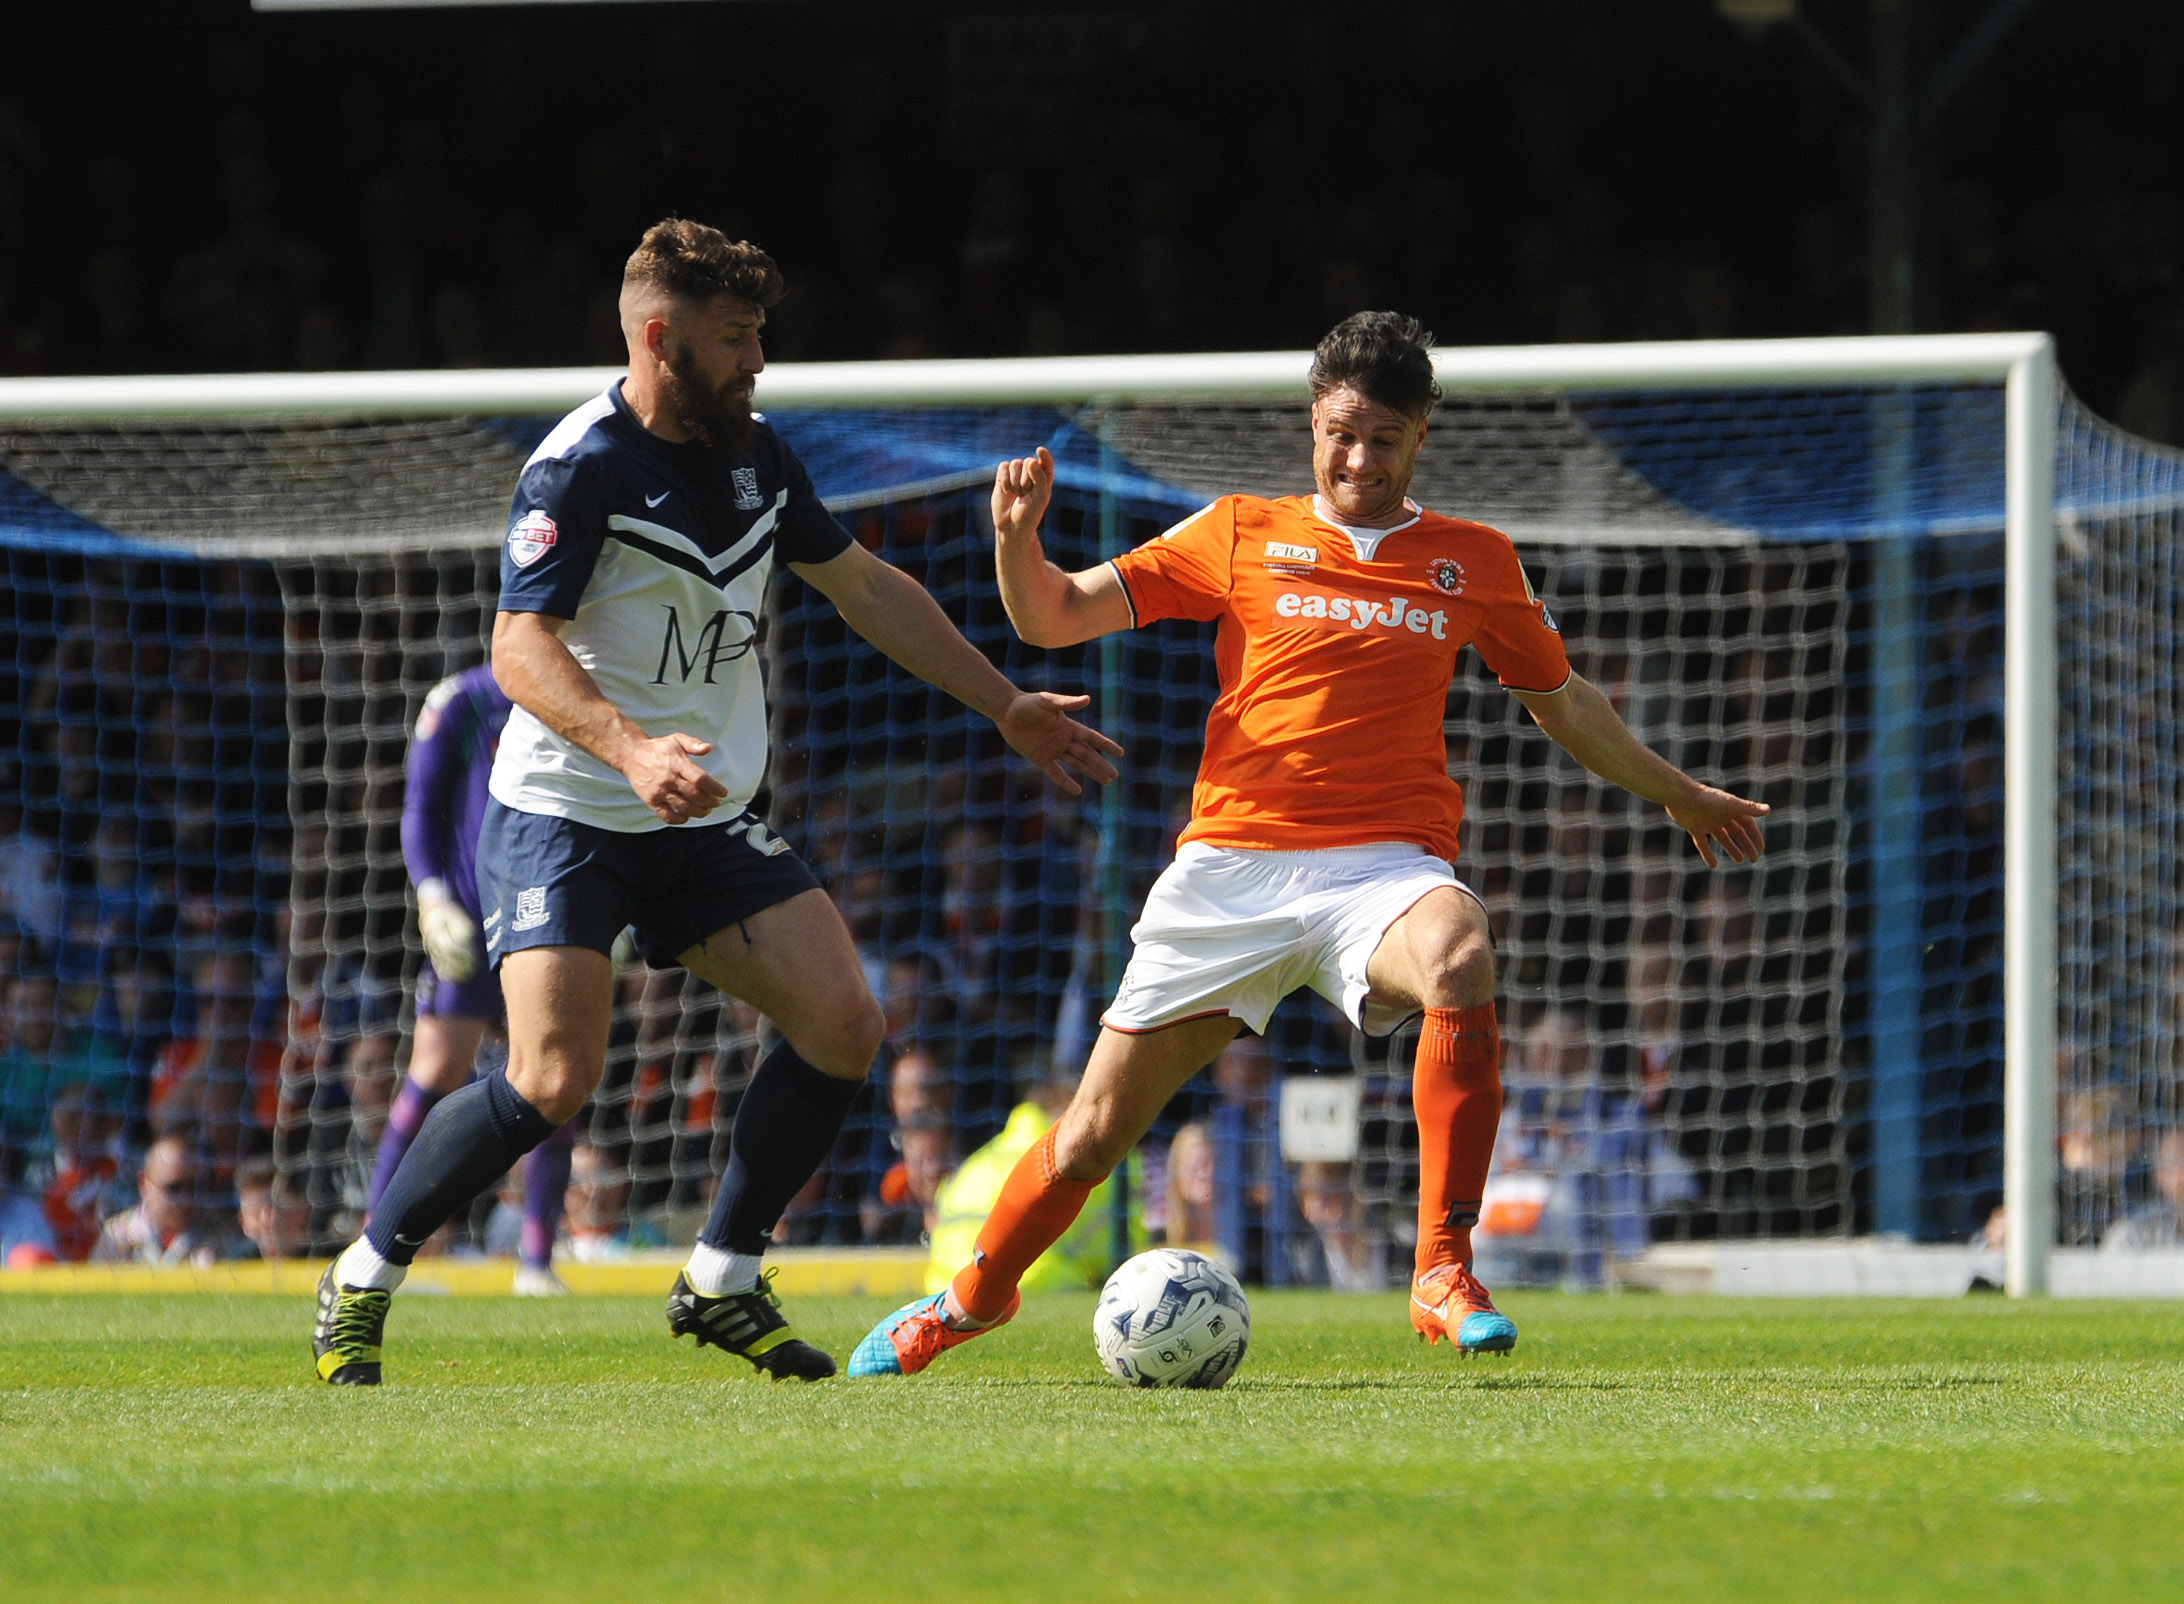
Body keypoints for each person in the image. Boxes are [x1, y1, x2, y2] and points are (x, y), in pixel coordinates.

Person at [851, 311, 1766, 1376]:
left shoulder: (1474, 561)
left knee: (1460, 948)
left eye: (1383, 437)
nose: (1358, 458)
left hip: (1381, 870)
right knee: (1093, 1130)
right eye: (1340, 433)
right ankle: (968, 1298)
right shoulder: (1239, 529)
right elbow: (1051, 617)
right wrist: (1016, 544)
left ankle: (1440, 1266)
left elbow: (1563, 705)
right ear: (1312, 426)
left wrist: (1680, 792)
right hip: (1230, 870)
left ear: (1421, 437)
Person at [313, 217, 1118, 1385]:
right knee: (550, 1074)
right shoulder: (577, 466)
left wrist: (1004, 704)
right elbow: (516, 644)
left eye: (758, 336)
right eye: (735, 337)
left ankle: (723, 1277)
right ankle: (362, 1275)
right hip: (568, 810)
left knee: (846, 1021)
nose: (755, 360)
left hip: (705, 816)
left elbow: (865, 587)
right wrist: (632, 751)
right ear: (658, 336)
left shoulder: (759, 456)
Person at [365, 662, 579, 1297]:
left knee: (555, 1083)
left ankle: (536, 1263)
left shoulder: (577, 691)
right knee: (434, 1076)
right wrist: (432, 897)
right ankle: (379, 1243)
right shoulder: (463, 701)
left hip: (544, 912)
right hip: (469, 921)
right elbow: (421, 808)